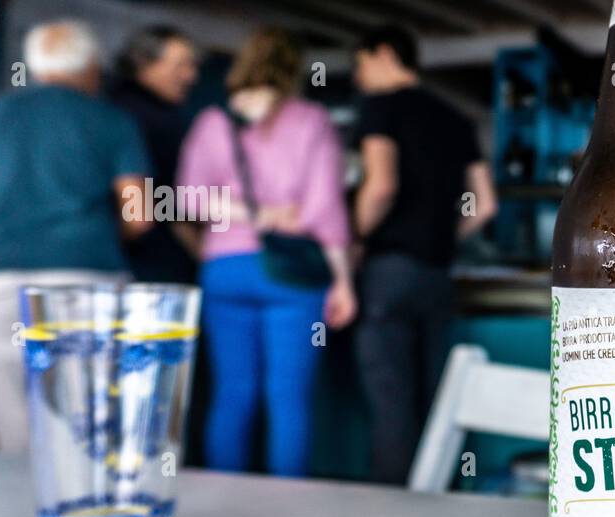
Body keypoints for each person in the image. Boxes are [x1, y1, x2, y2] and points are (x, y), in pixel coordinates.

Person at [177, 27, 355, 478]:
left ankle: (222, 497)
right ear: (293, 70)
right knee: (288, 397)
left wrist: (241, 212)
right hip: (290, 275)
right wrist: (342, 280)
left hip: (223, 269)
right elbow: (324, 210)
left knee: (232, 392)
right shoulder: (312, 120)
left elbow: (188, 199)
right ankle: (289, 510)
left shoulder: (212, 121)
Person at [0, 20, 151, 453]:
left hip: (4, 272)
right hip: (87, 270)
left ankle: (12, 509)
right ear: (91, 66)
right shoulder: (110, 119)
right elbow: (139, 212)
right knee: (86, 404)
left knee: (12, 405)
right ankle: (79, 505)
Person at [352, 26, 498, 485]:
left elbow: (381, 185)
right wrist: (445, 235)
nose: (358, 78)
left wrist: (353, 238)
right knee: (438, 397)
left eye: (359, 64)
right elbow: (486, 203)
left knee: (392, 402)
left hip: (388, 270)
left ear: (383, 51)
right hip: (437, 273)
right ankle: (442, 503)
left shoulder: (381, 107)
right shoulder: (455, 118)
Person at [107, 25, 200, 284]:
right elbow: (172, 200)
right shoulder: (156, 119)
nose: (191, 76)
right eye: (181, 65)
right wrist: (200, 252)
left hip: (112, 259)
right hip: (154, 261)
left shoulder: (106, 105)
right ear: (144, 64)